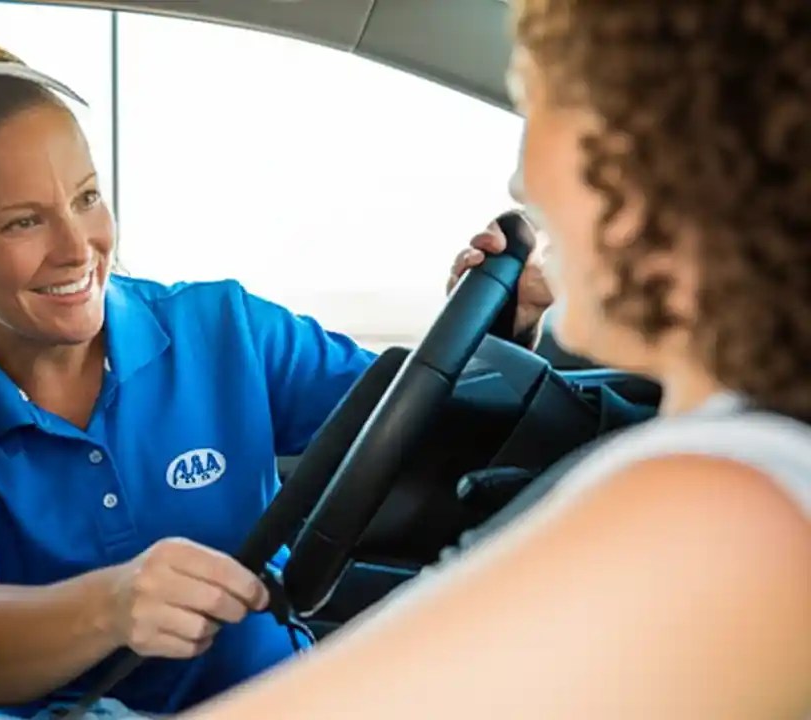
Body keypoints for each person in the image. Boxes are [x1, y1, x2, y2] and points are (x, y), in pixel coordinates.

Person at [0, 38, 548, 718]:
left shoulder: (225, 329)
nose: (77, 249)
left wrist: (502, 334)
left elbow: (416, 423)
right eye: (23, 222)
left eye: (86, 198)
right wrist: (114, 603)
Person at [175, 1, 811, 718]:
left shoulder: (721, 510)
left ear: (659, 156)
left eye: (541, 105)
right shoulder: (747, 461)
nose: (520, 182)